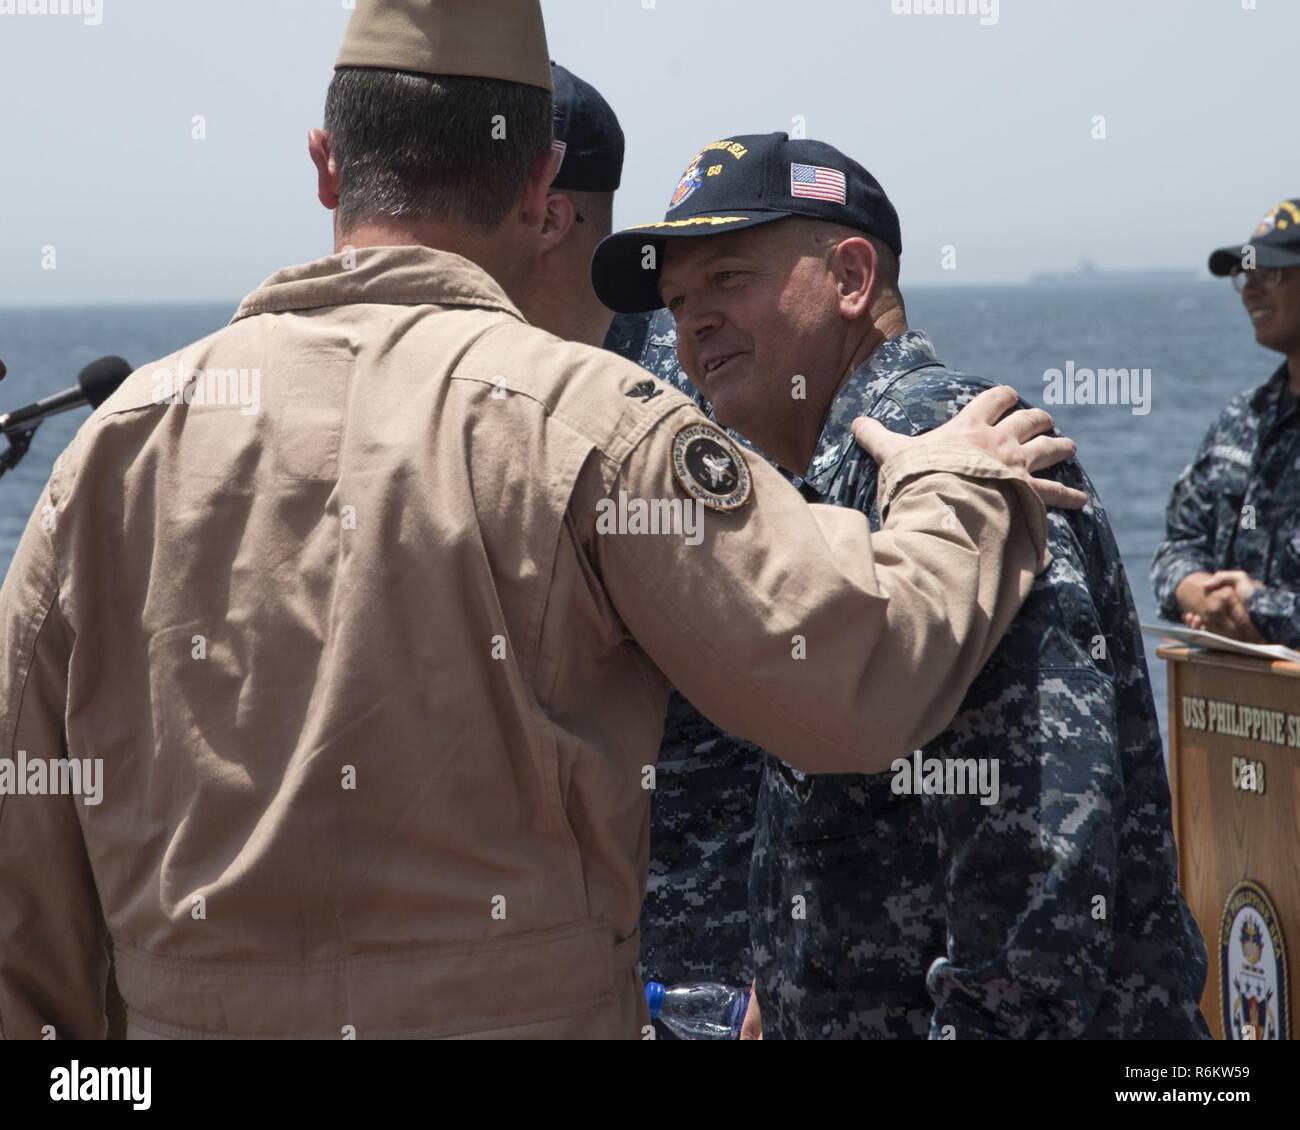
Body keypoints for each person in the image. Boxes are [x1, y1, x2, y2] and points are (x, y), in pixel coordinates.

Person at [0, 4, 1077, 1040]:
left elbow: (22, 904)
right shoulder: (593, 425)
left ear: (327, 163)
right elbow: (854, 678)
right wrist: (957, 487)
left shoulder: (109, 454)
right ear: (540, 186)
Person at [592, 132, 1211, 1039]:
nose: (692, 324)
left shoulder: (962, 457)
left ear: (850, 277)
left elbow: (1039, 890)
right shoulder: (823, 477)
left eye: (727, 279)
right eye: (679, 301)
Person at [1152, 198, 1300, 648]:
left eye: (1270, 274)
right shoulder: (1241, 421)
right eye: (1246, 276)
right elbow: (1177, 545)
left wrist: (1259, 608)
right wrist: (1195, 590)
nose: (1252, 290)